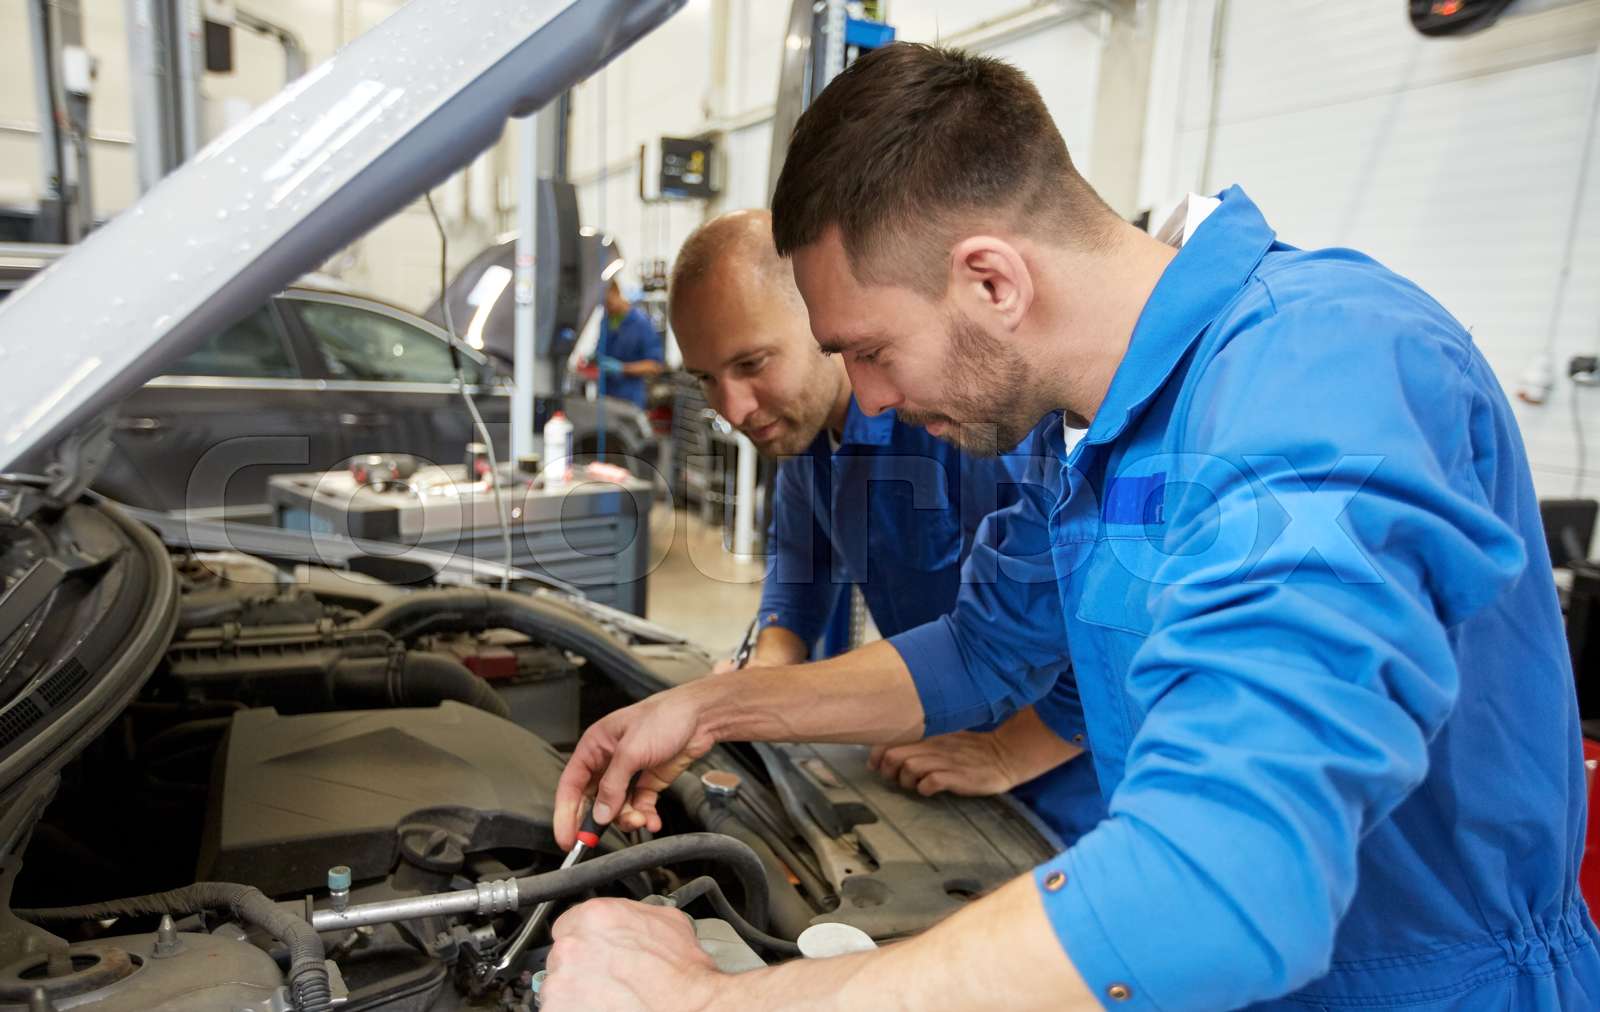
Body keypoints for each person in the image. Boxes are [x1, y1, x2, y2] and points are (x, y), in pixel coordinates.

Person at [541, 43, 1600, 1012]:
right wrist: (712, 707)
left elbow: (1223, 880)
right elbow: (977, 653)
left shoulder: (1325, 375)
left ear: (992, 278)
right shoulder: (1089, 440)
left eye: (869, 349)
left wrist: (711, 1003)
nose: (862, 401)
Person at [669, 208, 1103, 843]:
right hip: (936, 745)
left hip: (1059, 782)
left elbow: (1098, 613)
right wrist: (767, 669)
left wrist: (1013, 752)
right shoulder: (807, 443)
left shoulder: (959, 422)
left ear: (821, 319)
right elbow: (799, 573)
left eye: (752, 364)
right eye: (706, 379)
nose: (731, 409)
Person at [592, 278, 664, 409]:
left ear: (616, 292)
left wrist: (622, 368)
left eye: (608, 303)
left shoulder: (641, 323)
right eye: (603, 304)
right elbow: (600, 350)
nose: (607, 308)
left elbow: (654, 366)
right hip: (606, 396)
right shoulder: (606, 321)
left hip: (630, 399)